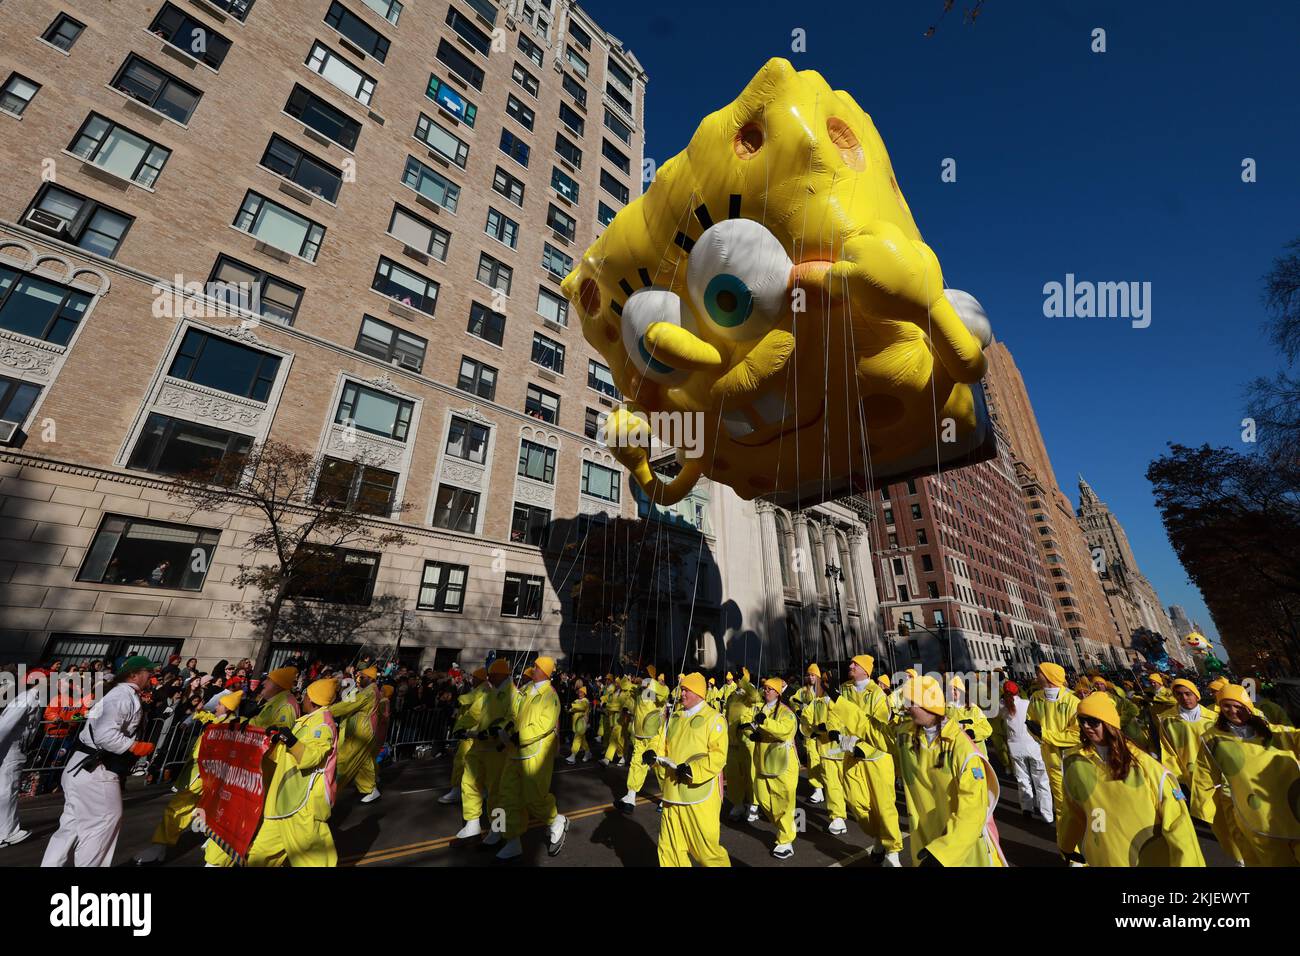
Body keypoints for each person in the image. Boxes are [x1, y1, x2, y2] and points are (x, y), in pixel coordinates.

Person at [1057, 692, 1205, 867]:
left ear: (1109, 723)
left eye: (1093, 721)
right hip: (1103, 859)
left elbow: (1179, 824)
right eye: (1082, 721)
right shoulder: (1075, 764)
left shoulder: (1146, 766)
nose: (1086, 726)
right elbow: (1072, 811)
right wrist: (1066, 845)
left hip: (1148, 859)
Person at [211, 678, 342, 867]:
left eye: (306, 695)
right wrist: (274, 740)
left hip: (302, 806)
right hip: (283, 802)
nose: (303, 698)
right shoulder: (307, 720)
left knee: (313, 861)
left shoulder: (322, 724)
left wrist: (290, 740)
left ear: (313, 700)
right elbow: (285, 755)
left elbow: (310, 757)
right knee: (258, 857)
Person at [41, 657, 157, 867]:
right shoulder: (122, 696)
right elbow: (105, 734)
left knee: (71, 825)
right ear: (134, 675)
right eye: (148, 672)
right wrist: (133, 746)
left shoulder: (118, 694)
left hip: (82, 766)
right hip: (96, 769)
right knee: (102, 823)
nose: (152, 676)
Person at [894, 675, 1005, 867]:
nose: (906, 707)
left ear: (926, 704)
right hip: (925, 845)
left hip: (962, 852)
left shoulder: (961, 747)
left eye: (911, 702)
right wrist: (839, 703)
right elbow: (872, 731)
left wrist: (943, 854)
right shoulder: (906, 735)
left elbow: (973, 810)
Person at [133, 690, 242, 865]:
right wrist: (200, 711)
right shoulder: (222, 721)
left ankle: (161, 845)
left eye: (220, 704)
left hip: (204, 773)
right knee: (202, 808)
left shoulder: (232, 725)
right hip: (203, 772)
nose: (216, 707)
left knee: (178, 807)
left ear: (228, 709)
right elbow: (207, 717)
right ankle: (167, 845)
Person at [1199, 684, 1300, 867]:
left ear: (1248, 706)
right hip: (1256, 815)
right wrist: (1206, 808)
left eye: (1238, 706)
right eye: (1226, 706)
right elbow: (1204, 775)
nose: (1232, 711)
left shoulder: (1274, 732)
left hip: (1291, 807)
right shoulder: (1211, 739)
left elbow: (1294, 736)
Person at [494, 657, 568, 861]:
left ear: (545, 671)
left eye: (536, 667)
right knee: (507, 796)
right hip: (514, 753)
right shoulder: (526, 690)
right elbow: (514, 714)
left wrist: (519, 737)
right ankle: (511, 840)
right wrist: (505, 730)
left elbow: (544, 725)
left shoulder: (550, 696)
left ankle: (556, 821)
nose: (532, 669)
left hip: (535, 754)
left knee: (534, 797)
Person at [833, 654, 903, 865]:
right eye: (851, 663)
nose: (851, 665)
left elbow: (878, 729)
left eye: (855, 664)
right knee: (855, 802)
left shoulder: (878, 694)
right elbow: (835, 713)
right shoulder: (844, 689)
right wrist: (833, 729)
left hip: (876, 758)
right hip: (851, 756)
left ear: (866, 670)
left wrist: (862, 747)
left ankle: (892, 851)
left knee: (884, 806)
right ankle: (878, 836)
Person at [656, 672, 730, 867]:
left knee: (706, 851)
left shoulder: (714, 719)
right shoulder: (675, 716)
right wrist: (653, 754)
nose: (682, 693)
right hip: (672, 793)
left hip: (699, 794)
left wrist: (692, 770)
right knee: (669, 848)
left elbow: (718, 756)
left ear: (698, 692)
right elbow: (662, 743)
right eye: (682, 689)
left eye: (686, 690)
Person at [455, 659, 519, 844]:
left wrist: (495, 731)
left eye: (492, 674)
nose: (488, 677)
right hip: (478, 747)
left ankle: (498, 829)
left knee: (496, 792)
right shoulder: (490, 693)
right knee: (469, 783)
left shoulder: (514, 695)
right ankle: (472, 823)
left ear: (501, 675)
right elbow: (475, 713)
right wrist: (460, 726)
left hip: (497, 751)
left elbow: (513, 718)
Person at [1026, 662, 1079, 846]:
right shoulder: (1036, 698)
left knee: (1079, 804)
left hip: (1073, 762)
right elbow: (1030, 723)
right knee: (1061, 805)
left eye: (1039, 672)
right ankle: (1067, 846)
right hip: (1051, 760)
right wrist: (1038, 736)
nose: (1036, 675)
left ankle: (1085, 845)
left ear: (1048, 676)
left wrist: (1045, 736)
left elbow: (1077, 734)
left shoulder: (1073, 701)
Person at [746, 677, 799, 859]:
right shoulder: (761, 709)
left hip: (783, 764)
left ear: (777, 692)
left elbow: (785, 730)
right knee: (762, 798)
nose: (766, 691)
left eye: (770, 688)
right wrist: (751, 733)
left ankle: (785, 840)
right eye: (765, 688)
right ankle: (785, 825)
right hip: (763, 762)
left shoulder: (786, 712)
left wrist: (765, 722)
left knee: (784, 802)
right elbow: (753, 726)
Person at [995, 681, 1052, 823]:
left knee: (1022, 779)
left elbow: (997, 712)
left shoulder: (1002, 706)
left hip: (1015, 748)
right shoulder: (1028, 703)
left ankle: (1027, 808)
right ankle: (1047, 814)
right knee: (1041, 780)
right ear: (1018, 691)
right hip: (1033, 746)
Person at [801, 664, 848, 834]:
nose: (825, 684)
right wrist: (814, 729)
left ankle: (858, 810)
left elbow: (848, 719)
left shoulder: (843, 700)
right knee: (831, 784)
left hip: (844, 749)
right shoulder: (817, 701)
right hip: (827, 751)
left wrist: (827, 727)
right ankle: (837, 817)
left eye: (828, 681)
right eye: (824, 681)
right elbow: (806, 717)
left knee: (850, 788)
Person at [0, 669, 44, 848]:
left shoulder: (31, 698)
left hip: (14, 749)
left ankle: (6, 831)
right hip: (11, 749)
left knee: (7, 789)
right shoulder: (26, 698)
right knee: (7, 790)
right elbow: (5, 725)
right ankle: (6, 833)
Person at [618, 671, 668, 812]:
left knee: (659, 766)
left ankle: (667, 797)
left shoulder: (659, 690)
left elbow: (664, 693)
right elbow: (625, 686)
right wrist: (626, 675)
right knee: (636, 763)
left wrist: (649, 682)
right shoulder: (639, 690)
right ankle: (631, 797)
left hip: (655, 736)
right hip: (640, 736)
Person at [332, 665, 382, 804]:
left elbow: (348, 705)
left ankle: (329, 793)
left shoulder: (369, 692)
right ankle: (370, 789)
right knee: (362, 761)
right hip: (362, 731)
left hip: (361, 732)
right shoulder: (368, 690)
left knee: (344, 761)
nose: (359, 679)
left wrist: (327, 711)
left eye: (362, 677)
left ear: (370, 678)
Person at [441, 667, 488, 801]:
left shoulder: (482, 690)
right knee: (473, 763)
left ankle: (458, 789)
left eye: (475, 677)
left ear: (480, 679)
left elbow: (470, 706)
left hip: (471, 732)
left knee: (462, 761)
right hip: (472, 732)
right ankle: (480, 790)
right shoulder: (481, 690)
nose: (472, 679)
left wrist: (457, 701)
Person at [723, 667, 761, 822]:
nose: (737, 679)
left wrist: (745, 682)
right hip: (732, 740)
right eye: (737, 677)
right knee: (733, 775)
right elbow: (727, 714)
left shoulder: (749, 694)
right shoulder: (732, 695)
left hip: (747, 740)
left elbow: (757, 697)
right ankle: (738, 803)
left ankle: (753, 804)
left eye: (740, 677)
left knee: (750, 773)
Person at [790, 664, 824, 804]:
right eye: (809, 675)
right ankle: (818, 789)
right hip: (809, 731)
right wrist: (798, 709)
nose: (810, 677)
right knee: (812, 757)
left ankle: (829, 787)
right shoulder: (803, 691)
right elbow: (793, 700)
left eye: (813, 675)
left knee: (826, 759)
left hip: (824, 731)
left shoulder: (824, 691)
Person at [947, 675, 992, 755]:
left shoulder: (974, 709)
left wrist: (972, 733)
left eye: (955, 689)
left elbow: (987, 729)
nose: (952, 692)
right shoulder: (946, 710)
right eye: (949, 690)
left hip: (977, 753)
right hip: (959, 754)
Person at [566, 685, 592, 764]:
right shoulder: (577, 700)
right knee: (582, 739)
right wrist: (568, 709)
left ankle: (573, 756)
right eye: (579, 692)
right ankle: (588, 753)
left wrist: (572, 706)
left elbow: (581, 707)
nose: (579, 693)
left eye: (581, 692)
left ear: (584, 693)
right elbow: (572, 709)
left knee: (577, 738)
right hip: (576, 722)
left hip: (582, 722)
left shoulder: (585, 701)